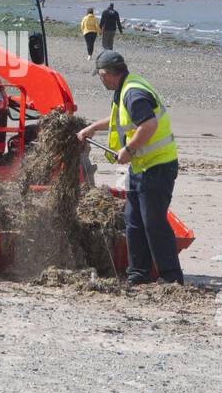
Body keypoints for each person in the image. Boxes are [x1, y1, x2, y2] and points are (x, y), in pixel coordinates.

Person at [76, 50, 182, 286]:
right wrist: (92, 128)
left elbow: (149, 124)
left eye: (100, 76)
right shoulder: (125, 88)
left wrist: (130, 149)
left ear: (106, 74)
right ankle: (137, 274)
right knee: (133, 220)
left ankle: (171, 278)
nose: (101, 80)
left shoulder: (133, 93)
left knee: (154, 223)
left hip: (158, 166)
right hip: (141, 167)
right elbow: (120, 121)